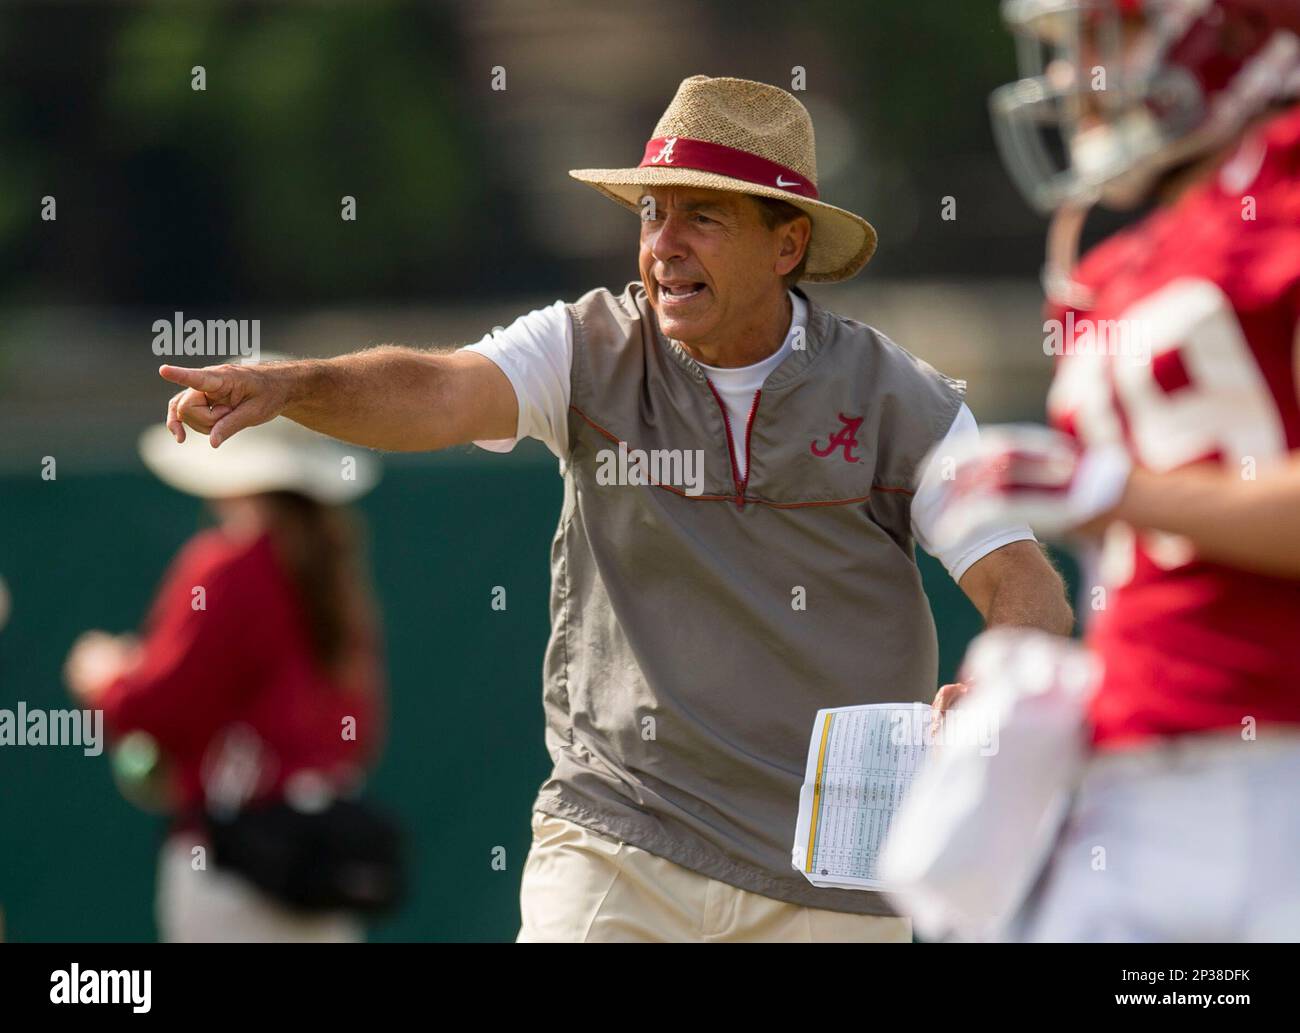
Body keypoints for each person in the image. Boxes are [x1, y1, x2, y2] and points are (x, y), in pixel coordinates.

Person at [158, 75, 1073, 943]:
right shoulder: (584, 345)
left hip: (834, 873)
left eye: (701, 216)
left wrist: (1000, 679)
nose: (662, 243)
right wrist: (294, 385)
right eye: (651, 212)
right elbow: (438, 390)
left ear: (787, 245)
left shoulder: (901, 399)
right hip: (618, 837)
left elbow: (1025, 587)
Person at [929, 0, 1300, 940]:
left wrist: (1115, 490)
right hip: (1133, 786)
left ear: (1226, 30)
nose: (1070, 81)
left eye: (1104, 38)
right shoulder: (1126, 250)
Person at [64, 411, 386, 942]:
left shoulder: (228, 566)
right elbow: (357, 732)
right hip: (322, 866)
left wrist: (106, 679)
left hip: (234, 869)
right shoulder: (335, 574)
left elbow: (159, 707)